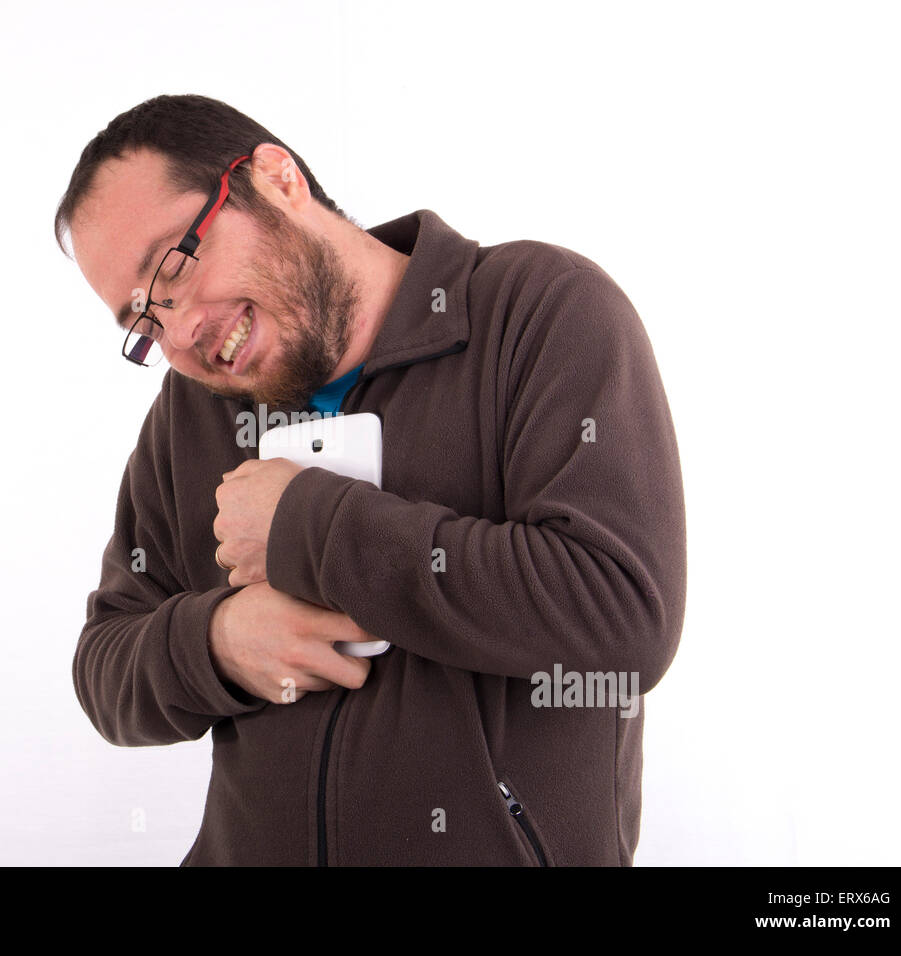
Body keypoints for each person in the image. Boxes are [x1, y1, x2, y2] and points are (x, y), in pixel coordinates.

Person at [55, 93, 687, 866]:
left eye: (174, 266)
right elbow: (105, 663)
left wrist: (307, 530)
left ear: (276, 178)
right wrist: (218, 640)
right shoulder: (192, 413)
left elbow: (622, 619)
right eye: (142, 321)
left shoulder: (538, 310)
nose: (179, 331)